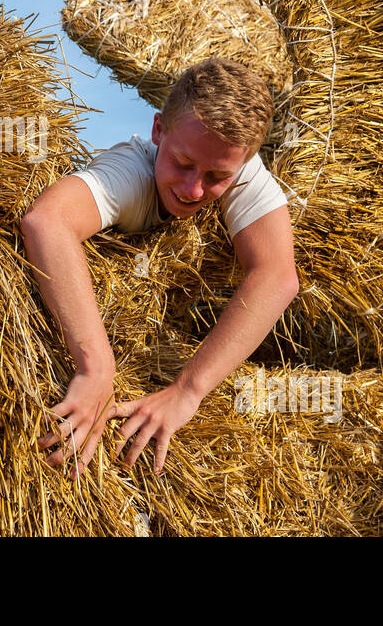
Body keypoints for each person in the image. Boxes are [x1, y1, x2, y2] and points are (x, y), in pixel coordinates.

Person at [20, 56, 299, 479]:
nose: (193, 189)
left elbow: (277, 276)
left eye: (216, 176)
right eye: (183, 164)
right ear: (158, 130)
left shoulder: (239, 166)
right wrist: (96, 367)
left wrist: (188, 390)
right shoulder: (130, 173)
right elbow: (46, 221)